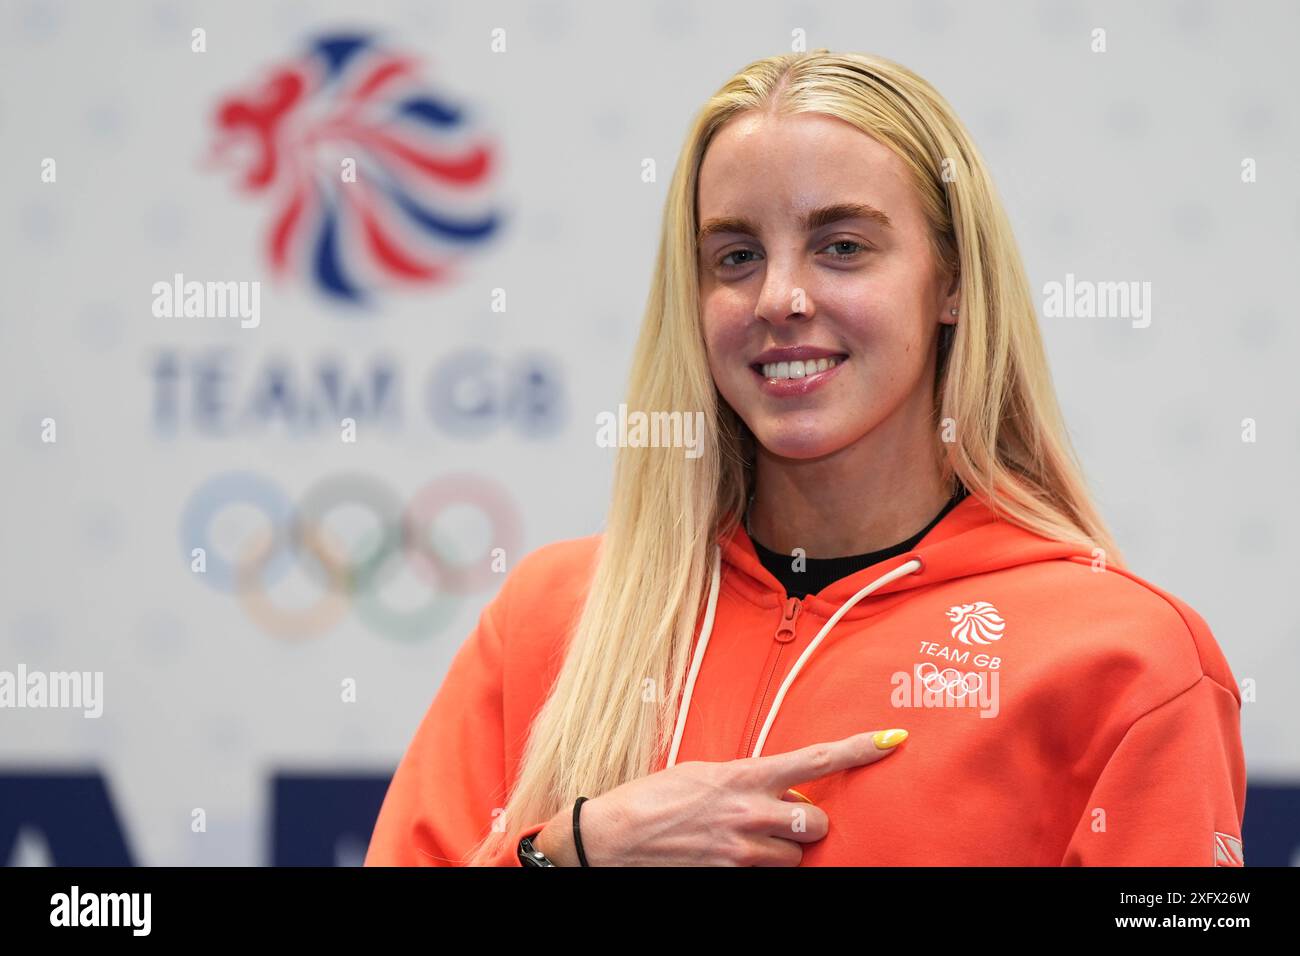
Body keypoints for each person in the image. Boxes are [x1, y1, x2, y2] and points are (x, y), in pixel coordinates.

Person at [363, 50, 1246, 867]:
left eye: (843, 247)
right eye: (736, 256)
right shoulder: (551, 620)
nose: (780, 298)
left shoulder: (1124, 659)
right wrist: (574, 849)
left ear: (952, 282)